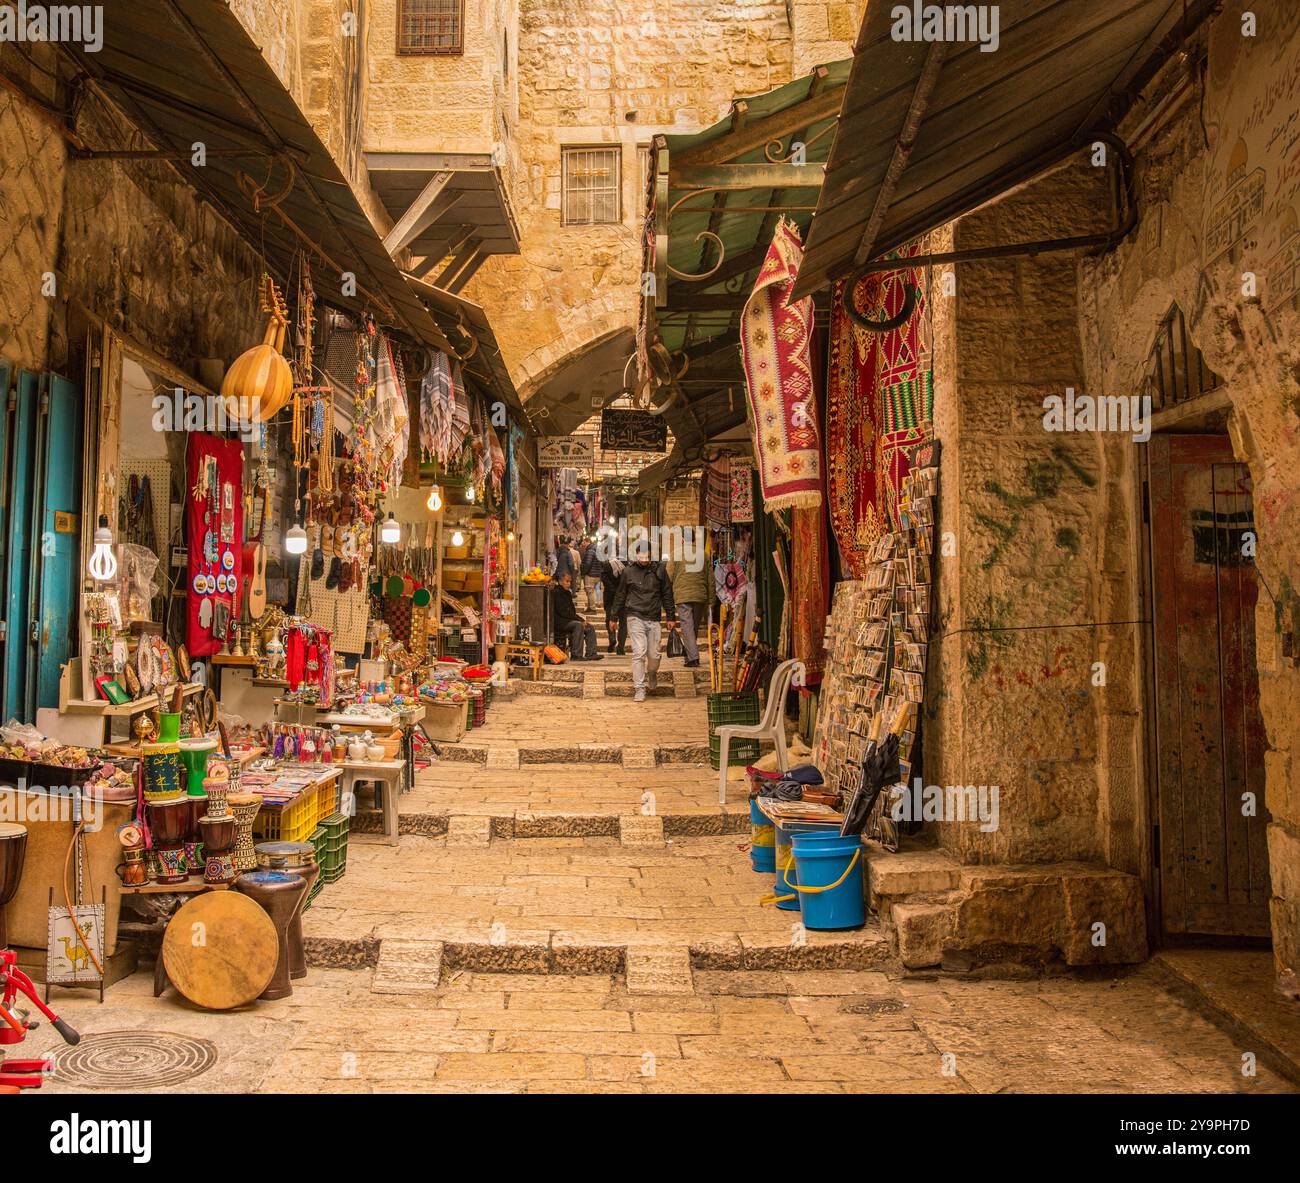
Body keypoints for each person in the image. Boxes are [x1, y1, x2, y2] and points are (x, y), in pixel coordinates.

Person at [610, 542, 676, 702]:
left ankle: (652, 672)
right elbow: (620, 595)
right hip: (635, 615)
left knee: (654, 654)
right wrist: (613, 616)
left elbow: (667, 593)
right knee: (639, 652)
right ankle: (639, 689)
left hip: (653, 617)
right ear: (636, 555)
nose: (645, 559)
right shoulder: (628, 572)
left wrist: (670, 616)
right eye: (642, 556)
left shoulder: (660, 570)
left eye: (647, 556)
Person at [665, 554, 709, 668]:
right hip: (700, 595)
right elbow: (710, 578)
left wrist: (667, 597)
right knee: (693, 627)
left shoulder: (676, 554)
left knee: (687, 626)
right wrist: (711, 599)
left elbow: (668, 577)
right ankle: (690, 656)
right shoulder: (704, 555)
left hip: (683, 596)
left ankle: (693, 658)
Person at [551, 572, 601, 661]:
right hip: (560, 621)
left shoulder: (567, 593)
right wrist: (580, 620)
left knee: (589, 627)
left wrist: (581, 619)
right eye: (567, 581)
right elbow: (563, 612)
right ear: (560, 581)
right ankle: (576, 655)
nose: (569, 584)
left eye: (570, 582)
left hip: (569, 620)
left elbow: (571, 611)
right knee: (578, 625)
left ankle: (591, 653)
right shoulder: (556, 592)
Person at [600, 555, 627, 654]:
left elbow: (605, 581)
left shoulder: (606, 565)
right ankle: (621, 647)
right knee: (623, 623)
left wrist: (614, 591)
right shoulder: (625, 565)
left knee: (610, 618)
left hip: (610, 597)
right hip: (623, 598)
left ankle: (612, 638)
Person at [578, 538, 603, 613]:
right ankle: (590, 607)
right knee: (591, 591)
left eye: (584, 542)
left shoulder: (590, 551)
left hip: (590, 574)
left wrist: (584, 572)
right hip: (597, 574)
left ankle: (592, 609)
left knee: (590, 591)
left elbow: (588, 564)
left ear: (587, 542)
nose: (583, 544)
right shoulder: (597, 550)